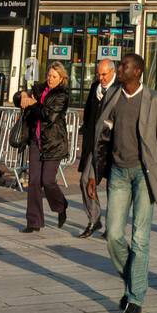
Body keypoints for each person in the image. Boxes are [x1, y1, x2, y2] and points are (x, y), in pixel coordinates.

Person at [89, 53, 157, 313]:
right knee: (113, 234)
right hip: (117, 172)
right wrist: (94, 173)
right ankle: (134, 279)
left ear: (137, 71)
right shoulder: (113, 97)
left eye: (124, 65)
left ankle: (135, 296)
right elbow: (101, 135)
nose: (119, 68)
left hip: (144, 175)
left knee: (140, 238)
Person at [17, 61, 71, 233]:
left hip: (54, 143)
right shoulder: (39, 89)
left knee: (47, 181)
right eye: (49, 75)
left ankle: (61, 205)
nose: (50, 79)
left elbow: (48, 115)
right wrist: (23, 95)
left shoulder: (62, 95)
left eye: (54, 77)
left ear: (62, 78)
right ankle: (34, 222)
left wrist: (33, 104)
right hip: (36, 140)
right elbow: (18, 98)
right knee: (33, 181)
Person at [77, 57, 117, 238]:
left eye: (104, 74)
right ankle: (94, 219)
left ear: (113, 72)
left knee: (112, 187)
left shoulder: (119, 89)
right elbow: (88, 113)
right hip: (93, 144)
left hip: (111, 146)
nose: (101, 78)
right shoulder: (95, 87)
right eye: (99, 74)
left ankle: (113, 226)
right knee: (85, 180)